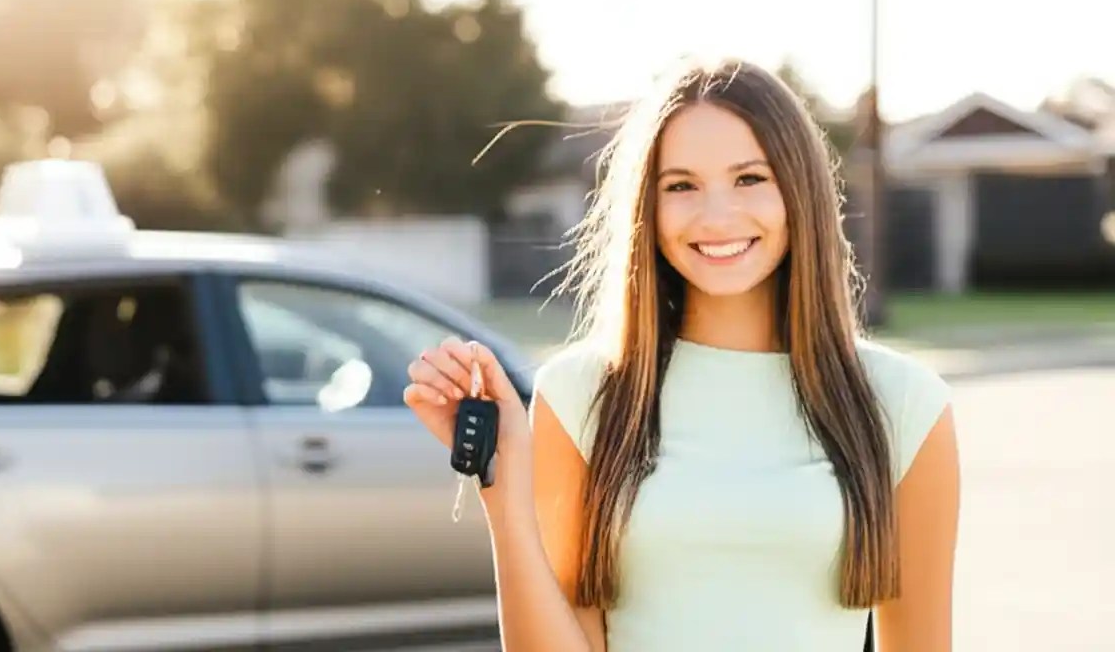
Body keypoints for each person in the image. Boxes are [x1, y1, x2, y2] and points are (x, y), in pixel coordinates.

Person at [403, 58, 960, 651]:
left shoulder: (904, 404)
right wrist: (500, 487)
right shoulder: (579, 395)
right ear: (648, 206)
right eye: (681, 186)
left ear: (800, 191)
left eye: (750, 179)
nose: (716, 217)